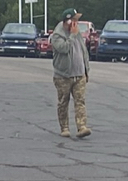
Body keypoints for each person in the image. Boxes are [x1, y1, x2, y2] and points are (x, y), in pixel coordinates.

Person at [50, 8, 91, 138]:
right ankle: (65, 127)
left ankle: (82, 127)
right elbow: (64, 48)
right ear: (68, 21)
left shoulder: (77, 33)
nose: (76, 23)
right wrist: (72, 35)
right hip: (63, 76)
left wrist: (86, 70)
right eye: (74, 20)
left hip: (79, 74)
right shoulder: (57, 35)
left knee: (80, 101)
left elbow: (83, 51)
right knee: (63, 102)